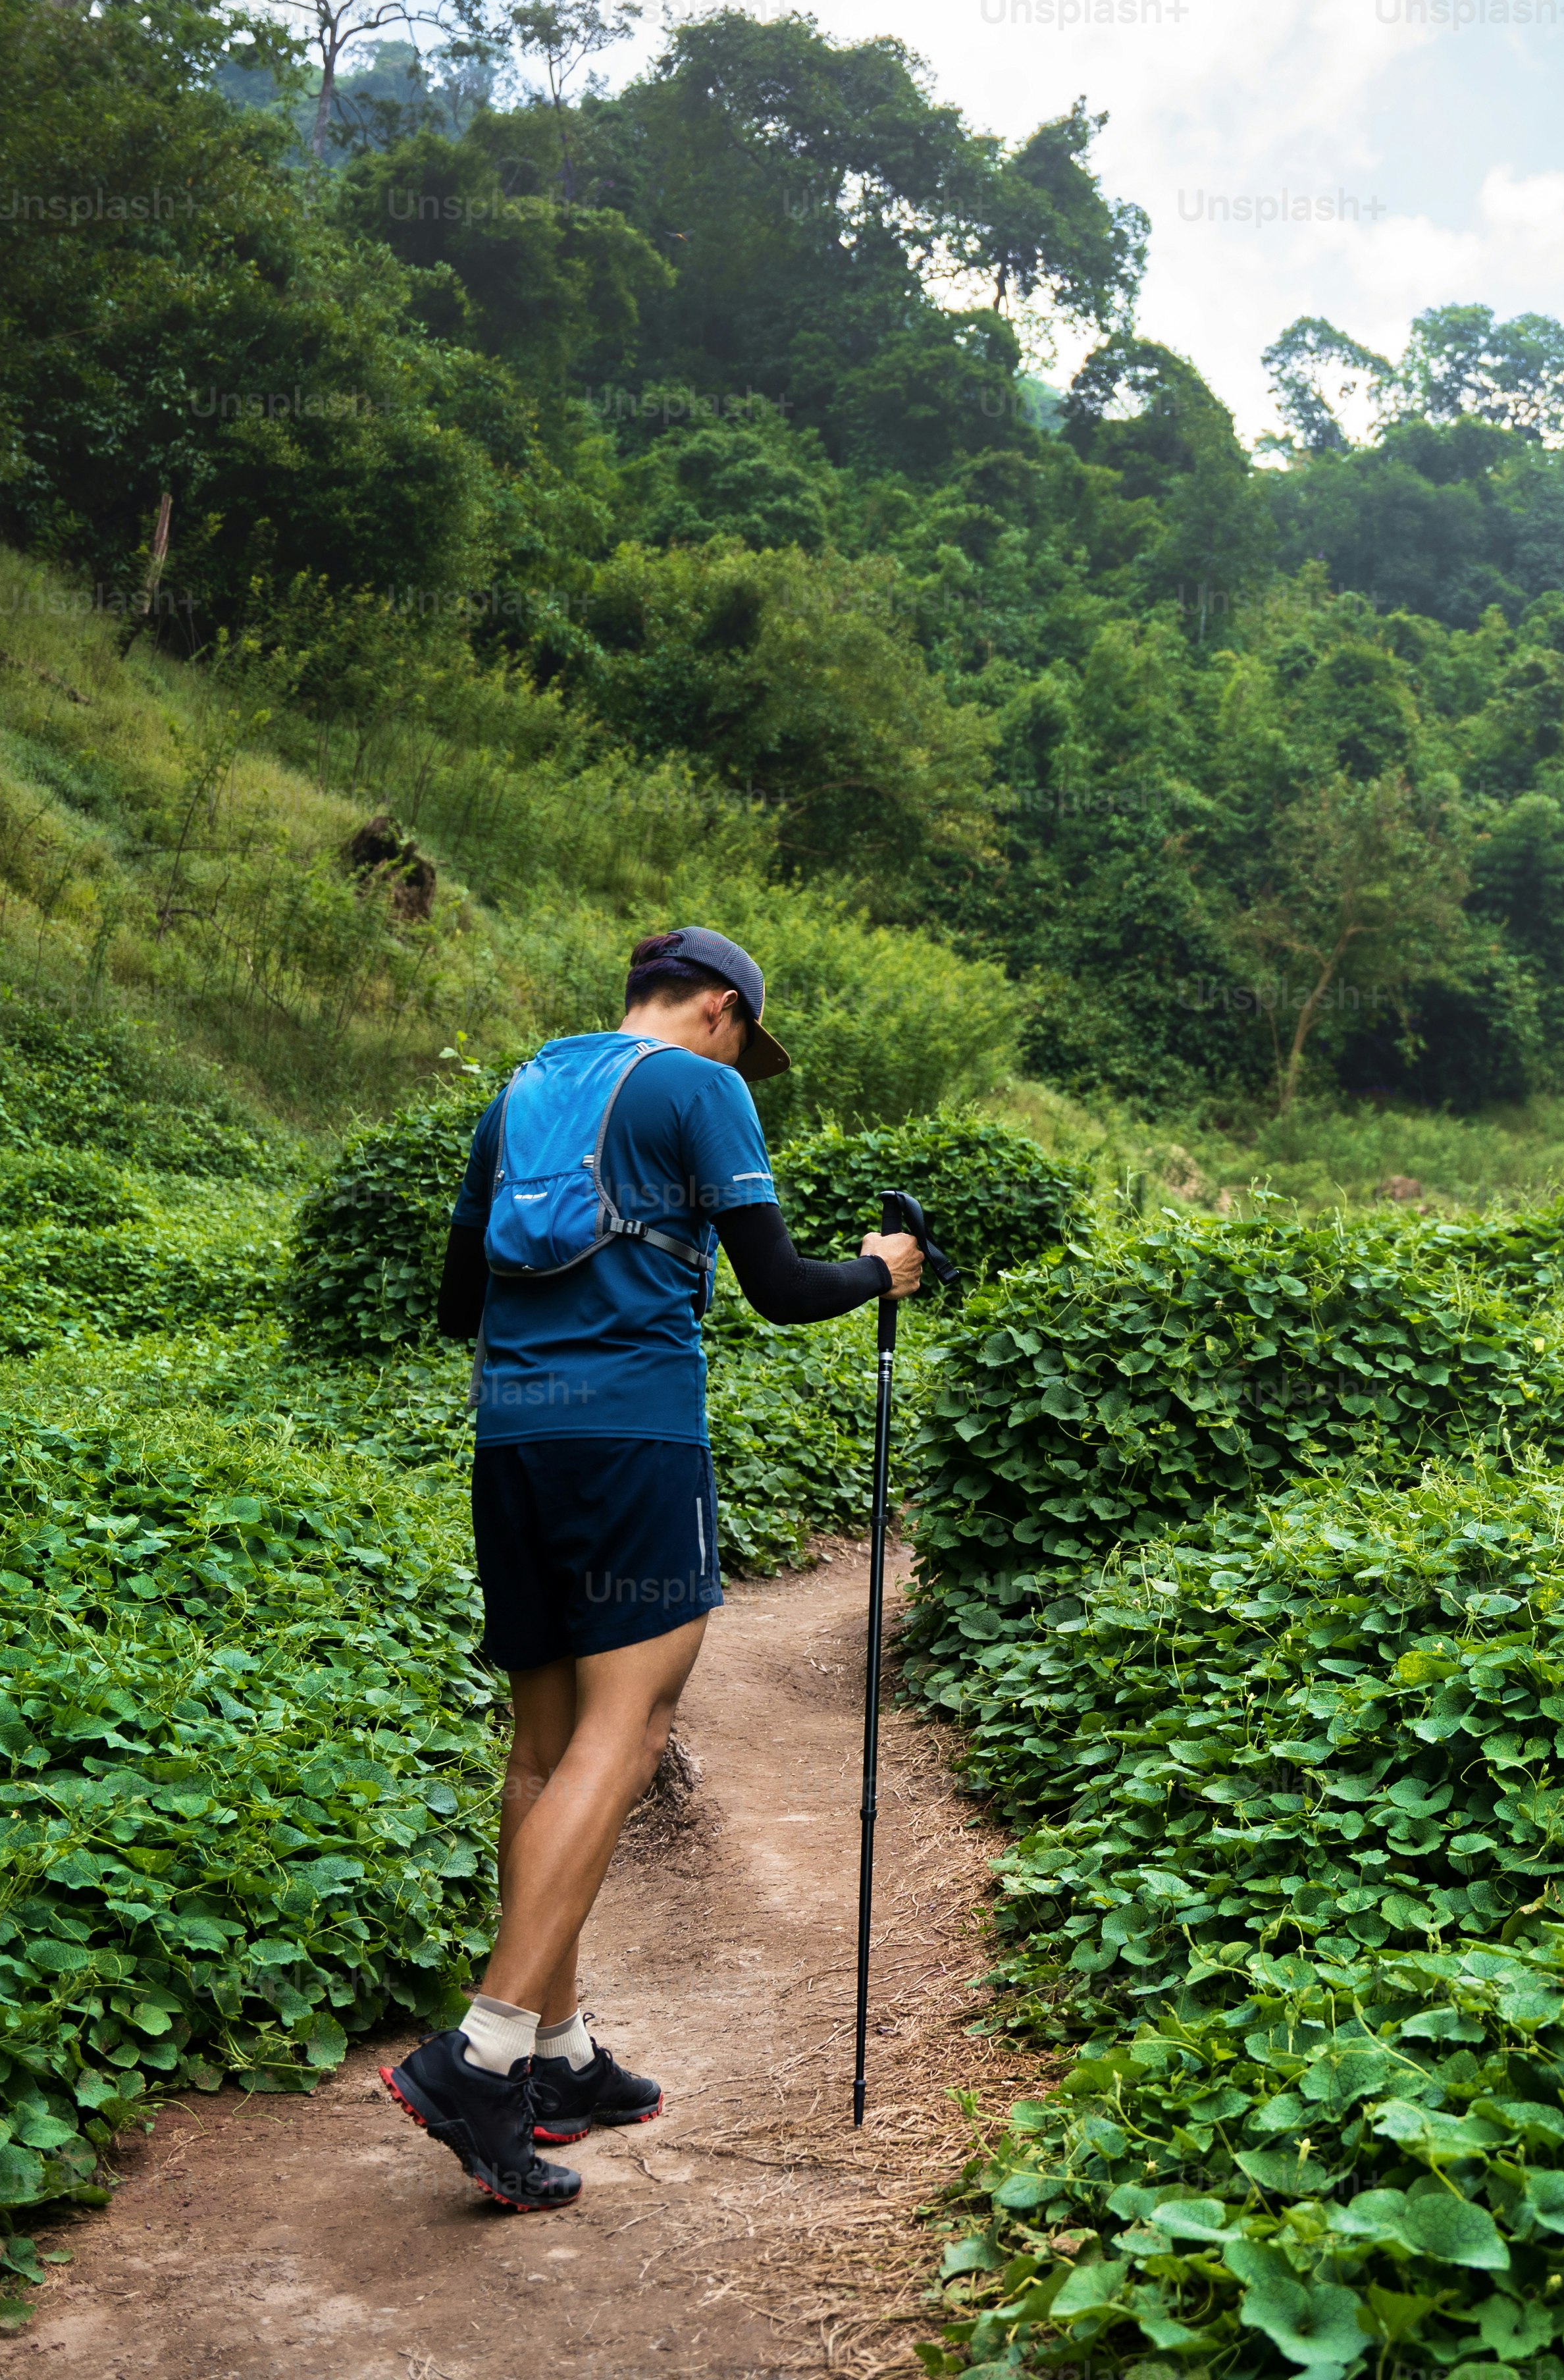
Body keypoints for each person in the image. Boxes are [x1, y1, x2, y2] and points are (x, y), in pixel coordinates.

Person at [381, 926, 922, 2211]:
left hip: (514, 1438)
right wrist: (884, 1268)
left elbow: (462, 1298)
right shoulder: (700, 1086)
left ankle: (557, 2060)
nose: (748, 1059)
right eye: (750, 1037)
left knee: (543, 1744)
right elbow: (780, 1286)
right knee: (627, 1734)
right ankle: (484, 2053)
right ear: (722, 1008)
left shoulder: (521, 1090)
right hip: (634, 1438)